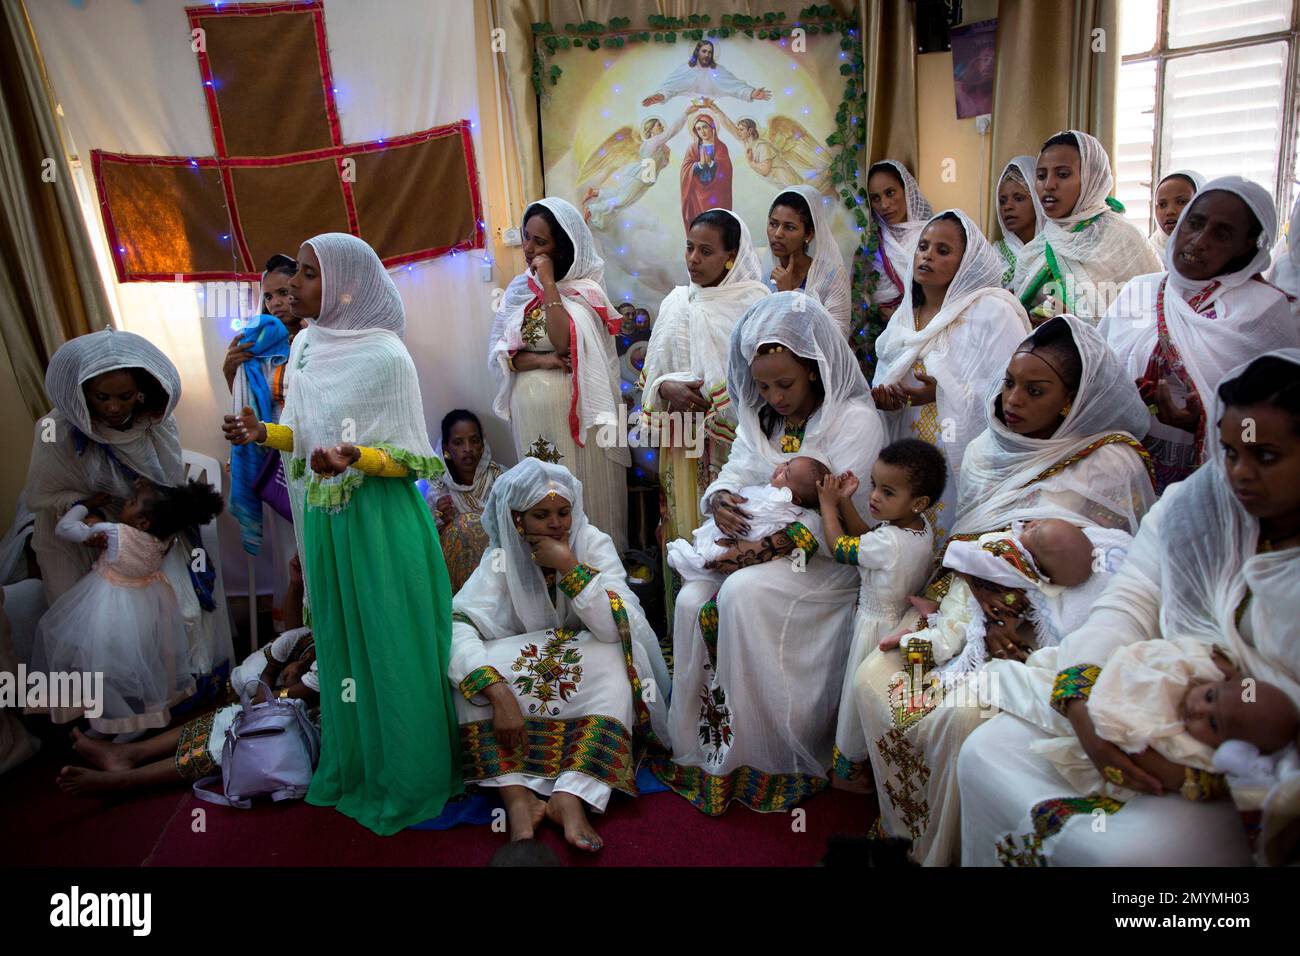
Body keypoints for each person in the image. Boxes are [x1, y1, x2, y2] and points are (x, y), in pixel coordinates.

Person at [958, 351, 1300, 867]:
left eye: (1266, 456)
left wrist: (1196, 765)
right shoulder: (1195, 506)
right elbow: (1129, 604)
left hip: (1252, 765)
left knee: (1129, 856)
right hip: (1144, 695)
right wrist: (1081, 701)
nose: (1240, 474)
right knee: (985, 754)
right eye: (1229, 452)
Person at [853, 315, 1157, 865]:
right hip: (967, 603)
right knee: (876, 678)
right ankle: (910, 833)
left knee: (964, 717)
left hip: (1054, 627)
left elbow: (1120, 572)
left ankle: (950, 848)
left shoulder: (1111, 462)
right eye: (1009, 383)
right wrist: (967, 600)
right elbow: (966, 542)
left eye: (1035, 391)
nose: (1013, 400)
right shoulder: (985, 450)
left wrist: (1023, 613)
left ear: (1071, 399)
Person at [223, 232, 461, 836]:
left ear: (346, 286)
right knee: (346, 646)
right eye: (295, 274)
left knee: (390, 644)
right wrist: (263, 436)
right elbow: (303, 434)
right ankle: (358, 767)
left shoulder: (386, 355)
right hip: (328, 525)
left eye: (307, 275)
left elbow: (410, 457)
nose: (294, 287)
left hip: (380, 522)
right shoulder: (304, 348)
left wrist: (358, 457)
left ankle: (408, 772)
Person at [657, 292, 885, 814]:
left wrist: (769, 545)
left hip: (825, 560)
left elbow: (851, 517)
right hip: (751, 546)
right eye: (762, 385)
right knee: (692, 599)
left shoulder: (854, 420)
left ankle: (768, 751)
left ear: (815, 369)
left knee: (740, 592)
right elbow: (734, 473)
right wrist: (721, 504)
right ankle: (704, 749)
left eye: (786, 383)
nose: (774, 396)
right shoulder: (761, 418)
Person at [448, 459, 669, 851]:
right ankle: (517, 798)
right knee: (467, 678)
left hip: (584, 664)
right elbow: (458, 623)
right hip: (521, 666)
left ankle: (571, 793)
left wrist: (569, 566)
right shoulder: (501, 557)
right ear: (517, 520)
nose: (556, 524)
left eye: (563, 512)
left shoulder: (591, 542)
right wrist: (497, 691)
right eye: (541, 514)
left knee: (617, 658)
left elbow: (619, 624)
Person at [25, 329, 233, 689]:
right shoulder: (53, 430)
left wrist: (138, 515)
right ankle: (103, 703)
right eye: (102, 397)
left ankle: (166, 690)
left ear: (141, 392)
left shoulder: (156, 421)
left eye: (124, 396)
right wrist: (82, 509)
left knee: (175, 607)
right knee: (85, 626)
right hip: (69, 528)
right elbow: (42, 494)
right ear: (83, 393)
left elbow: (166, 481)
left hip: (144, 525)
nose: (114, 407)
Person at [1100, 176, 1297, 493]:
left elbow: (1272, 427)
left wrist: (1205, 423)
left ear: (1247, 244)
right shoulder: (1140, 290)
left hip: (1213, 486)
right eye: (1195, 222)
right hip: (1120, 471)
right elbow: (1099, 372)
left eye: (1222, 234)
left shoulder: (1263, 311)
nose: (1199, 240)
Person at [871, 209, 1032, 544]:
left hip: (959, 446)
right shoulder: (903, 318)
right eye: (923, 246)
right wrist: (885, 400)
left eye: (943, 251)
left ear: (967, 263)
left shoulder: (992, 312)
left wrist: (940, 395)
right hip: (908, 448)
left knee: (951, 533)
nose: (927, 255)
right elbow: (884, 375)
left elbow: (1012, 389)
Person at [640, 208, 769, 619]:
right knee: (684, 532)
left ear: (731, 257)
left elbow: (768, 377)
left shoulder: (756, 304)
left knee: (730, 532)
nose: (693, 259)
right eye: (690, 248)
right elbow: (652, 376)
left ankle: (734, 627)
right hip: (682, 442)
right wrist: (666, 388)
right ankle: (688, 633)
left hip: (740, 446)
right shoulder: (676, 303)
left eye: (706, 251)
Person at [29, 478, 222, 736]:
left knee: (94, 666)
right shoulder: (165, 541)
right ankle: (112, 720)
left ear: (143, 522)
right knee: (119, 668)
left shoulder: (115, 532)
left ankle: (127, 722)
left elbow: (65, 529)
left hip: (108, 610)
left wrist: (84, 506)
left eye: (131, 502)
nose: (126, 503)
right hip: (142, 610)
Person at [489, 198, 629, 552]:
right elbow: (502, 355)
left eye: (541, 242)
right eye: (526, 239)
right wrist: (541, 362)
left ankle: (589, 578)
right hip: (531, 415)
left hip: (576, 423)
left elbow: (562, 339)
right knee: (541, 495)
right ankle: (547, 583)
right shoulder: (518, 292)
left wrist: (549, 284)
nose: (530, 250)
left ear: (563, 247)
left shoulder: (586, 292)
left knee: (576, 491)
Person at [55, 625, 320, 796]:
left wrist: (282, 679)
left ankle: (126, 781)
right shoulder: (304, 636)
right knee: (229, 715)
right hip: (287, 704)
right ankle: (130, 753)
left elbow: (268, 702)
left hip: (318, 724)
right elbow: (270, 677)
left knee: (246, 736)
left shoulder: (331, 662)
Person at [818, 439, 943, 788]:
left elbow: (843, 548)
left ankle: (851, 773)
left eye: (887, 492)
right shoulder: (918, 526)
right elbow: (868, 541)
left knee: (857, 704)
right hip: (897, 617)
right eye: (874, 485)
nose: (874, 496)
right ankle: (872, 766)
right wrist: (845, 500)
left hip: (874, 626)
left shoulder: (890, 541)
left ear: (918, 501)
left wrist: (828, 506)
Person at [1032, 638, 1298, 801]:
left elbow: (1163, 773)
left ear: (1233, 749)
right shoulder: (1190, 671)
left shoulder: (1195, 755)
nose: (1199, 710)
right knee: (1033, 672)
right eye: (1209, 696)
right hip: (1087, 693)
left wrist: (1101, 732)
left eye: (1214, 724)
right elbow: (1141, 657)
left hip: (1102, 744)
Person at [1013, 130, 1161, 324]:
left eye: (1063, 174)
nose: (1048, 185)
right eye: (1041, 176)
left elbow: (1148, 324)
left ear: (1092, 177)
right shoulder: (1036, 247)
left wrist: (1075, 325)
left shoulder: (1124, 240)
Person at [667, 454, 830, 586]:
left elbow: (764, 520)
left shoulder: (783, 506)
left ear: (794, 498)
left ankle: (700, 559)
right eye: (786, 462)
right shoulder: (768, 487)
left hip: (781, 561)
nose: (781, 468)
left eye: (786, 474)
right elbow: (735, 472)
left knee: (737, 587)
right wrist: (722, 496)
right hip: (726, 535)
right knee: (688, 599)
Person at [425, 410, 502, 593]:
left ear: (482, 445)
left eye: (474, 440)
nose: (468, 448)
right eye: (458, 442)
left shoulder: (501, 480)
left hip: (500, 568)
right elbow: (427, 547)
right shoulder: (437, 492)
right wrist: (445, 525)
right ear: (446, 449)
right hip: (460, 582)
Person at [766, 185, 851, 332]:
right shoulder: (765, 272)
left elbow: (838, 337)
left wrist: (789, 295)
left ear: (808, 234)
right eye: (773, 224)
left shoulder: (830, 276)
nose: (778, 234)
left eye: (789, 227)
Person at [866, 160, 934, 321]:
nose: (884, 205)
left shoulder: (932, 236)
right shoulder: (871, 242)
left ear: (906, 190)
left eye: (890, 193)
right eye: (875, 198)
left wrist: (903, 318)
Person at [640, 39, 772, 106]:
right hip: (689, 112)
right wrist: (659, 96)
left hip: (715, 110)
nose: (707, 55)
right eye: (704, 51)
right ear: (697, 52)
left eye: (710, 52)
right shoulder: (685, 69)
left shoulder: (718, 70)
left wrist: (751, 93)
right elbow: (670, 88)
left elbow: (735, 86)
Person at [992, 156, 1045, 288]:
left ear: (1037, 201)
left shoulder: (1055, 249)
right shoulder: (994, 257)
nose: (1007, 206)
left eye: (1018, 198)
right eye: (1002, 201)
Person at [679, 113, 733, 230]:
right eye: (698, 129)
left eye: (705, 127)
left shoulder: (720, 147)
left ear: (712, 127)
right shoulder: (693, 148)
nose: (702, 131)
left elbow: (726, 169)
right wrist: (699, 165)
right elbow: (685, 168)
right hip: (697, 196)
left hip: (717, 194)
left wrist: (712, 164)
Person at [1147, 170, 1204, 258]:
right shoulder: (1146, 255)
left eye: (1181, 202)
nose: (1170, 211)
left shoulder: (1220, 253)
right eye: (1162, 205)